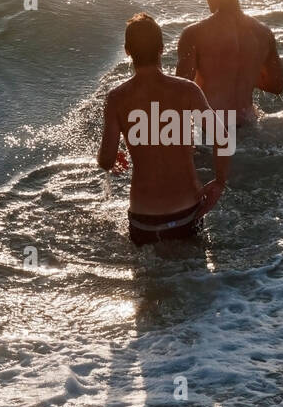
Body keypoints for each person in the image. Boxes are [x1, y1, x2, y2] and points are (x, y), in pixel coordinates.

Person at [99, 13, 231, 246]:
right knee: (194, 279)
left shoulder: (117, 98)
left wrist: (113, 157)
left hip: (143, 219)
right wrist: (219, 181)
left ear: (127, 51)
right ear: (161, 48)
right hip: (187, 213)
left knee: (147, 281)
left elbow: (107, 161)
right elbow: (222, 137)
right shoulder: (187, 91)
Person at [176, 0, 283, 126]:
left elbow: (182, 94)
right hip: (250, 127)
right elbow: (277, 84)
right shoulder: (263, 33)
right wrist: (244, 73)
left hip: (211, 129)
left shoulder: (194, 34)